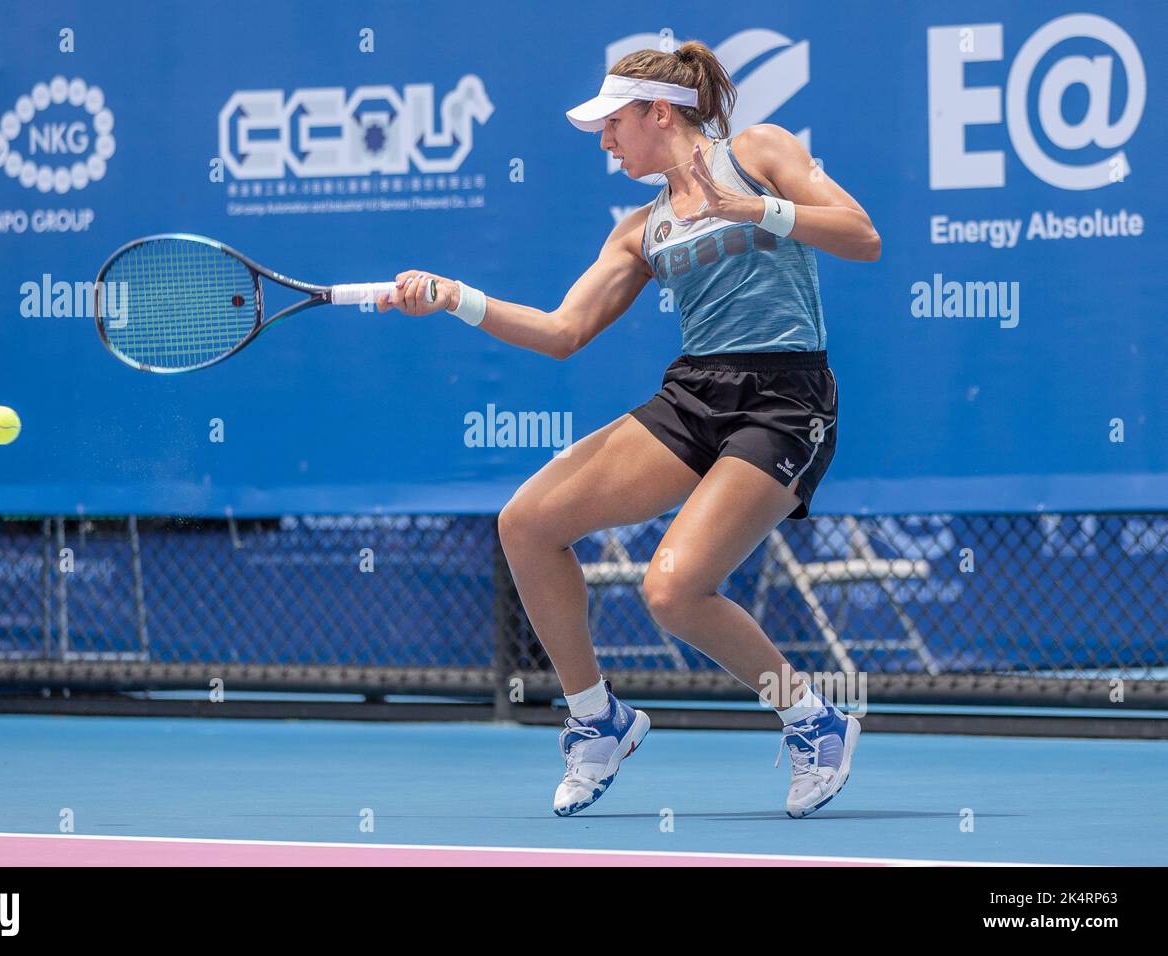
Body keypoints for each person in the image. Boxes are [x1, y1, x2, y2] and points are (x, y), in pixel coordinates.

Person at [377, 40, 880, 818]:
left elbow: (862, 236)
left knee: (674, 589)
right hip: (694, 394)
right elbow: (560, 331)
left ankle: (812, 719)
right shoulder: (637, 230)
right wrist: (454, 298)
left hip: (785, 397)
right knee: (528, 523)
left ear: (657, 112)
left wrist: (753, 208)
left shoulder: (760, 151)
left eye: (612, 125)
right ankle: (595, 718)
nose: (604, 141)